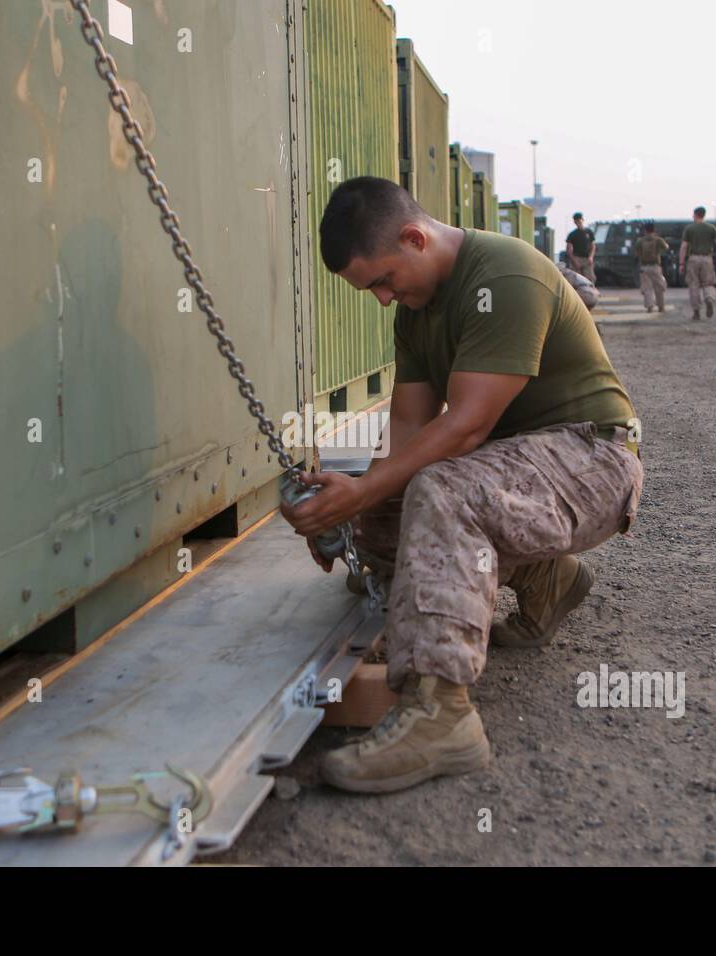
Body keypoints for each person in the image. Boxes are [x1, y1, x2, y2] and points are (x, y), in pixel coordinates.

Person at [280, 177, 643, 794]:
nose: (383, 299)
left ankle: (441, 713)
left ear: (415, 237)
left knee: (444, 492)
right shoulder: (419, 312)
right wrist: (350, 513)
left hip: (594, 459)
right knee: (387, 514)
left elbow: (465, 427)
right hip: (526, 468)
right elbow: (407, 433)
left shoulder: (503, 274)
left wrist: (365, 492)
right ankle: (547, 577)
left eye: (383, 281)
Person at [678, 206, 716, 320]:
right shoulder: (711, 228)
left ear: (695, 215)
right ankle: (709, 299)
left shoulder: (689, 229)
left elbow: (684, 246)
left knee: (694, 284)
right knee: (708, 283)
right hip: (707, 259)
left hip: (693, 259)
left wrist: (681, 263)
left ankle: (696, 312)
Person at [633, 222, 668, 313]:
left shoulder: (640, 241)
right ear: (654, 230)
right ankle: (661, 306)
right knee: (659, 287)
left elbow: (636, 253)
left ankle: (649, 307)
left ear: (645, 230)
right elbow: (666, 247)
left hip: (644, 267)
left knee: (647, 287)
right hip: (655, 266)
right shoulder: (658, 240)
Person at [565, 212, 596, 283]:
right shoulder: (572, 234)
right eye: (576, 221)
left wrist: (591, 257)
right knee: (575, 280)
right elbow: (569, 250)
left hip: (587, 259)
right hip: (576, 258)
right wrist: (574, 261)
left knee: (590, 279)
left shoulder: (589, 232)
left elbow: (593, 246)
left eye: (579, 220)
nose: (578, 222)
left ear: (582, 220)